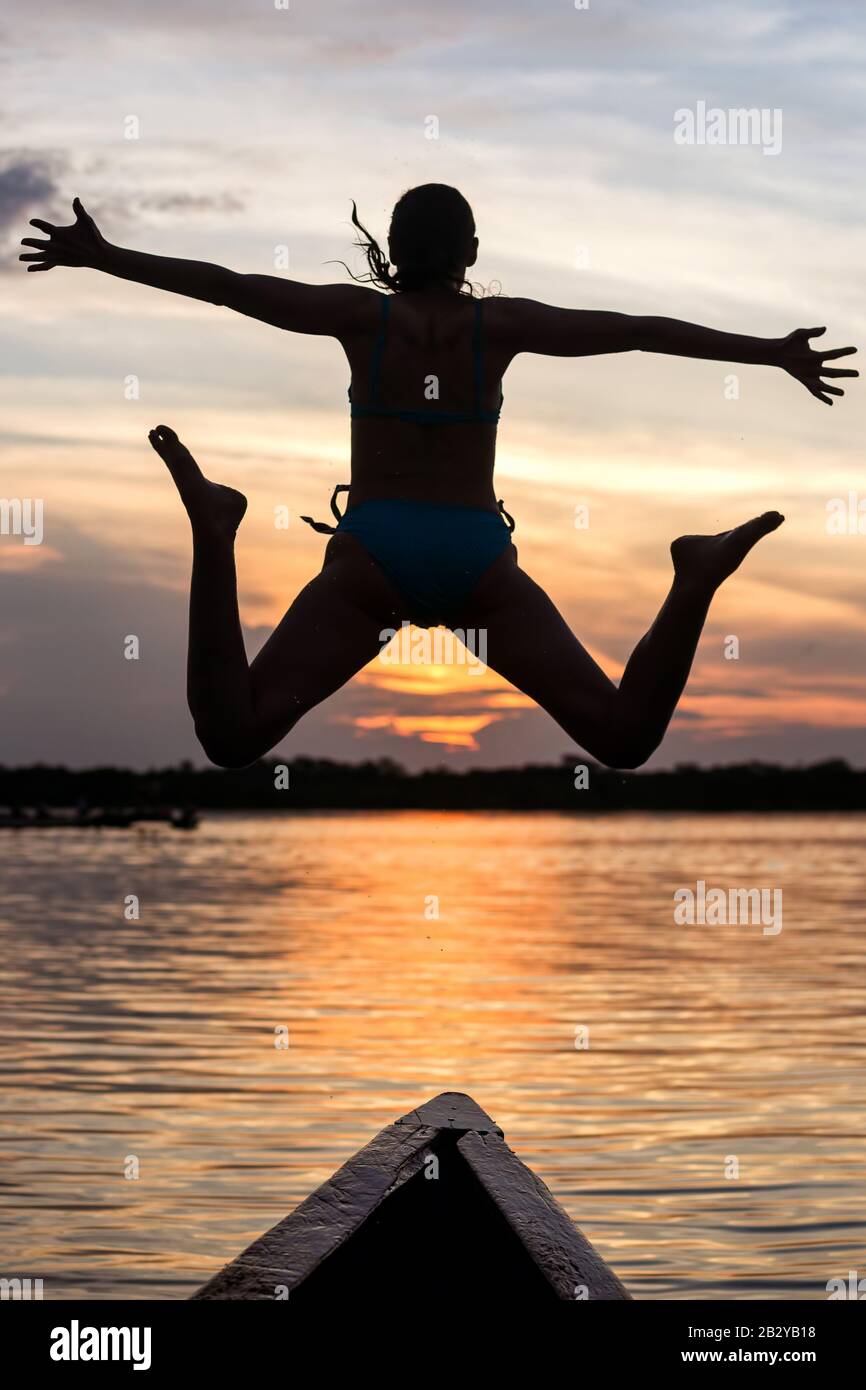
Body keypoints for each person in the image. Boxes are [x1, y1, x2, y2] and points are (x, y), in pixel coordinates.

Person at [21, 185, 857, 769]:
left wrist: (105, 256)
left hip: (371, 561)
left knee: (232, 736)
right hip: (476, 562)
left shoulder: (361, 317)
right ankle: (696, 578)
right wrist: (770, 352)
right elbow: (638, 329)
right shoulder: (502, 326)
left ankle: (214, 530)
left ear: (390, 251)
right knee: (624, 738)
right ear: (473, 254)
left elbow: (233, 288)